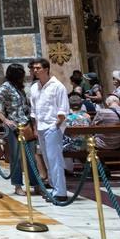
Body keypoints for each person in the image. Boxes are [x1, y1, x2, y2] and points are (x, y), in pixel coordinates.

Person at [0, 63, 42, 197]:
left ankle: (35, 184)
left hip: (26, 125)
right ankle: (17, 185)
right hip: (14, 128)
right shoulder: (6, 87)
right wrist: (5, 120)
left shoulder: (19, 87)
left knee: (31, 157)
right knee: (16, 157)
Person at [28, 58, 70, 202]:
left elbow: (63, 109)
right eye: (33, 68)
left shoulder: (58, 86)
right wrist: (35, 128)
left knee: (55, 159)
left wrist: (56, 125)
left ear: (46, 69)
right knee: (47, 160)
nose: (35, 70)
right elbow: (34, 110)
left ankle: (61, 192)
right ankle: (53, 188)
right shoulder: (34, 87)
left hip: (53, 126)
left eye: (38, 68)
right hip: (40, 127)